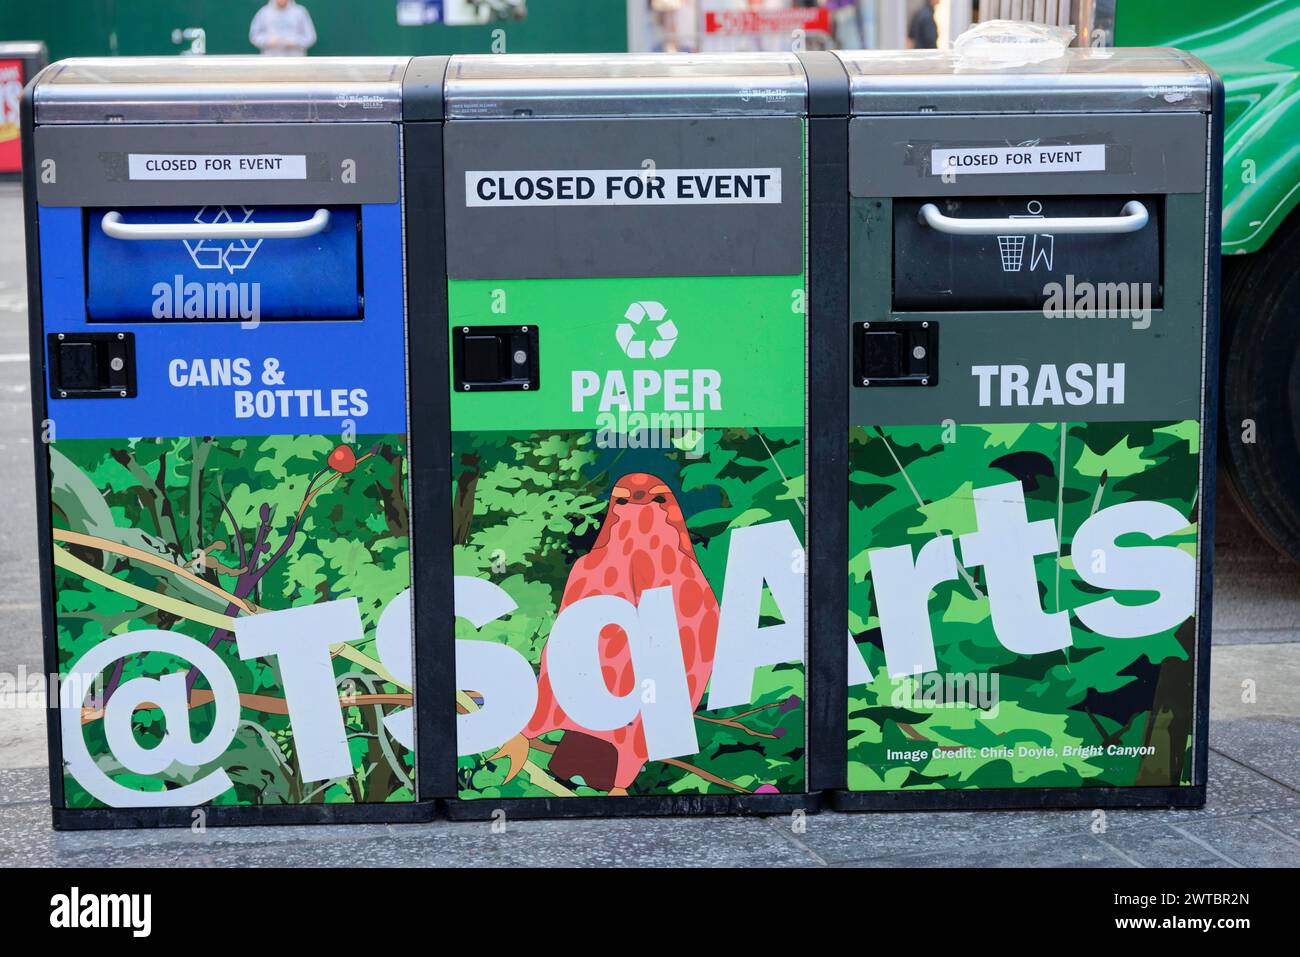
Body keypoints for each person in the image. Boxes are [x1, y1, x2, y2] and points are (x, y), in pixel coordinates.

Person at [250, 0, 317, 57]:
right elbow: (254, 36)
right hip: (270, 60)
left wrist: (295, 42)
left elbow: (310, 37)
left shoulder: (300, 12)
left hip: (295, 60)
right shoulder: (264, 12)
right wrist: (267, 41)